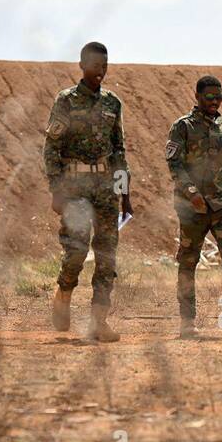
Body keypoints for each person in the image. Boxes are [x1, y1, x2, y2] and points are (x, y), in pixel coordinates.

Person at [43, 41, 131, 342]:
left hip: (106, 188)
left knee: (107, 256)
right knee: (77, 249)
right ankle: (64, 292)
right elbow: (52, 146)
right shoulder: (66, 100)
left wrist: (124, 191)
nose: (101, 72)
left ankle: (98, 321)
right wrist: (56, 189)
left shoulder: (113, 104)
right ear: (82, 66)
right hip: (75, 187)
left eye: (105, 67)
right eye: (96, 66)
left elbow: (119, 149)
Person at [165, 75, 222, 338]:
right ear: (197, 97)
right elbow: (175, 165)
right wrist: (191, 193)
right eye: (210, 97)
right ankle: (187, 323)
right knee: (188, 262)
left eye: (219, 97)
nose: (215, 102)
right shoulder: (182, 127)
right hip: (191, 208)